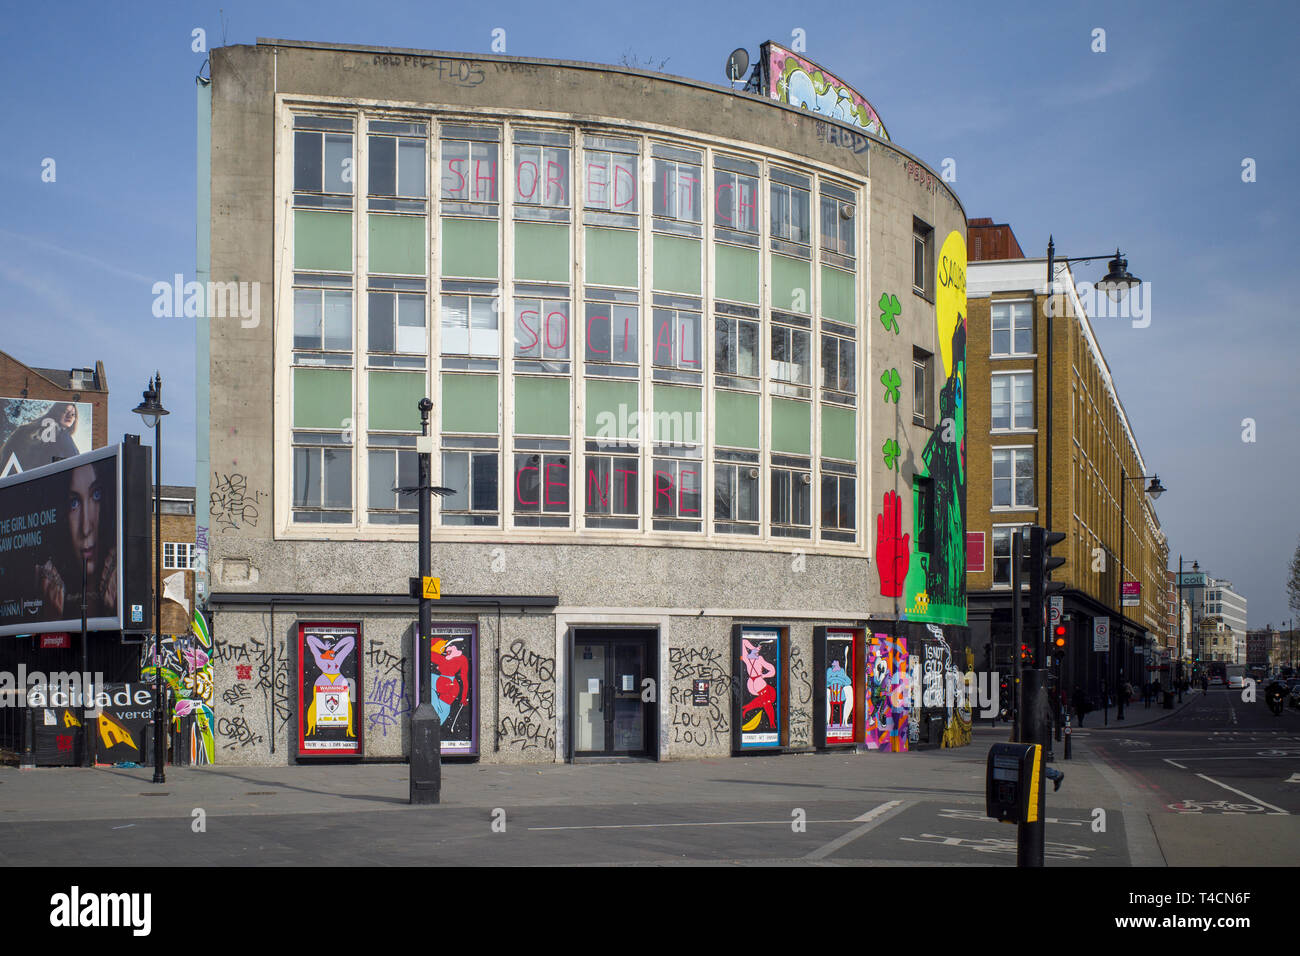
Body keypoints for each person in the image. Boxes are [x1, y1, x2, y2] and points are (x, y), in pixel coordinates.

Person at [36, 459, 118, 621]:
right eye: (74, 503)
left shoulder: (121, 589)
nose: (85, 528)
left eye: (96, 495)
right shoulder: (50, 595)